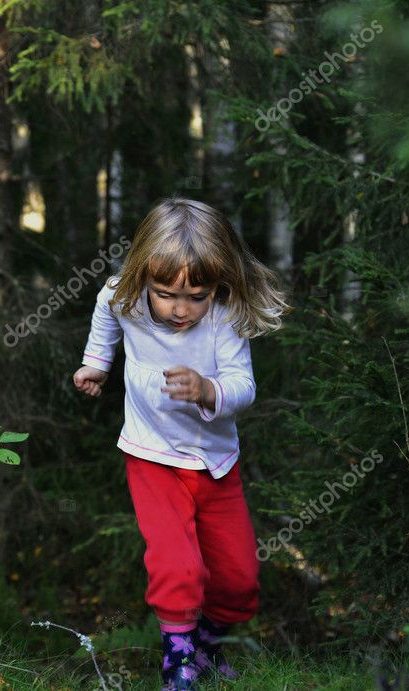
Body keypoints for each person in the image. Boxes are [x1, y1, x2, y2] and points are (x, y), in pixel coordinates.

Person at [72, 198, 289, 690]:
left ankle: (207, 648)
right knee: (179, 567)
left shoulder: (224, 316)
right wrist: (96, 362)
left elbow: (244, 387)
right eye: (167, 294)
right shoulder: (123, 295)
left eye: (198, 295)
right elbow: (106, 310)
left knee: (239, 581)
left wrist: (208, 389)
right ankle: (178, 663)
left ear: (219, 284)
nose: (180, 309)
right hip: (151, 457)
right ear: (144, 277)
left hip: (217, 464)